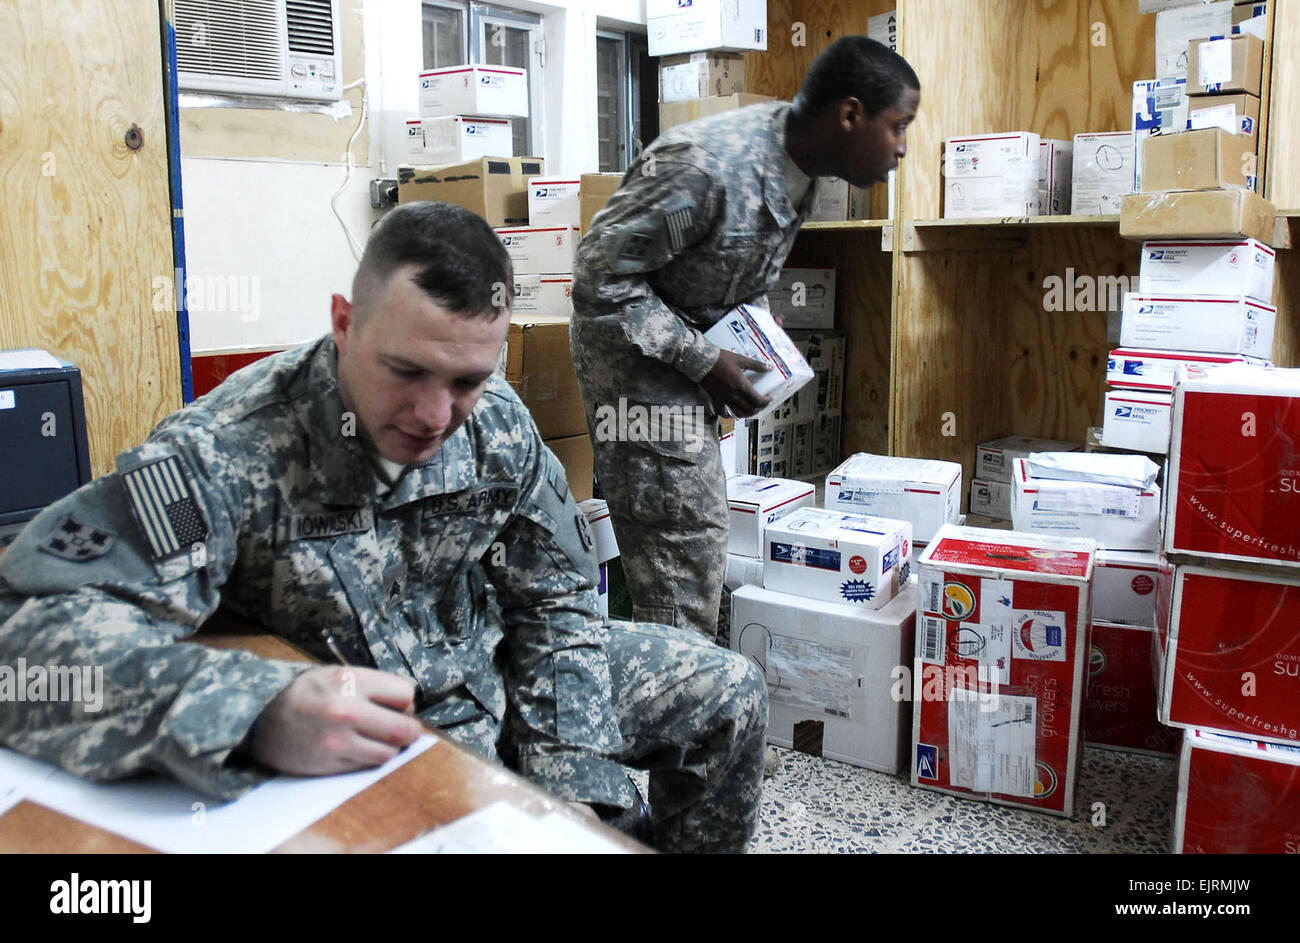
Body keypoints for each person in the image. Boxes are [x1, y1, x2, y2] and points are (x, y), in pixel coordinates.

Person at [0, 201, 767, 854]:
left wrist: (574, 785)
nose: (436, 416)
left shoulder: (495, 419)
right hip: (367, 722)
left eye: (467, 379)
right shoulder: (228, 450)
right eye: (405, 371)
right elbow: (25, 642)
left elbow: (555, 599)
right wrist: (255, 708)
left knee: (729, 685)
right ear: (344, 322)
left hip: (492, 670)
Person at [570, 37, 920, 642]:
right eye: (898, 127)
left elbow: (732, 272)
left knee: (696, 541)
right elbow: (599, 276)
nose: (902, 148)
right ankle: (670, 701)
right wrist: (705, 361)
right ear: (850, 114)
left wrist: (754, 341)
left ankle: (673, 687)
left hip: (686, 363)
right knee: (682, 549)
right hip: (637, 374)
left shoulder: (799, 172)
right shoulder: (703, 167)